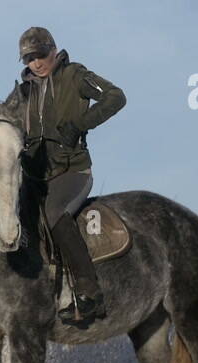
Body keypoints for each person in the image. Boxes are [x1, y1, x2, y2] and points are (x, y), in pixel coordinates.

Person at [16, 26, 126, 322]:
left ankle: (89, 293)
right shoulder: (22, 90)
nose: (36, 63)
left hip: (73, 170)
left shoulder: (75, 75)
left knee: (54, 213)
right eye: (29, 59)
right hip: (36, 176)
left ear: (53, 50)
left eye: (40, 55)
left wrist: (81, 123)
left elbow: (116, 97)